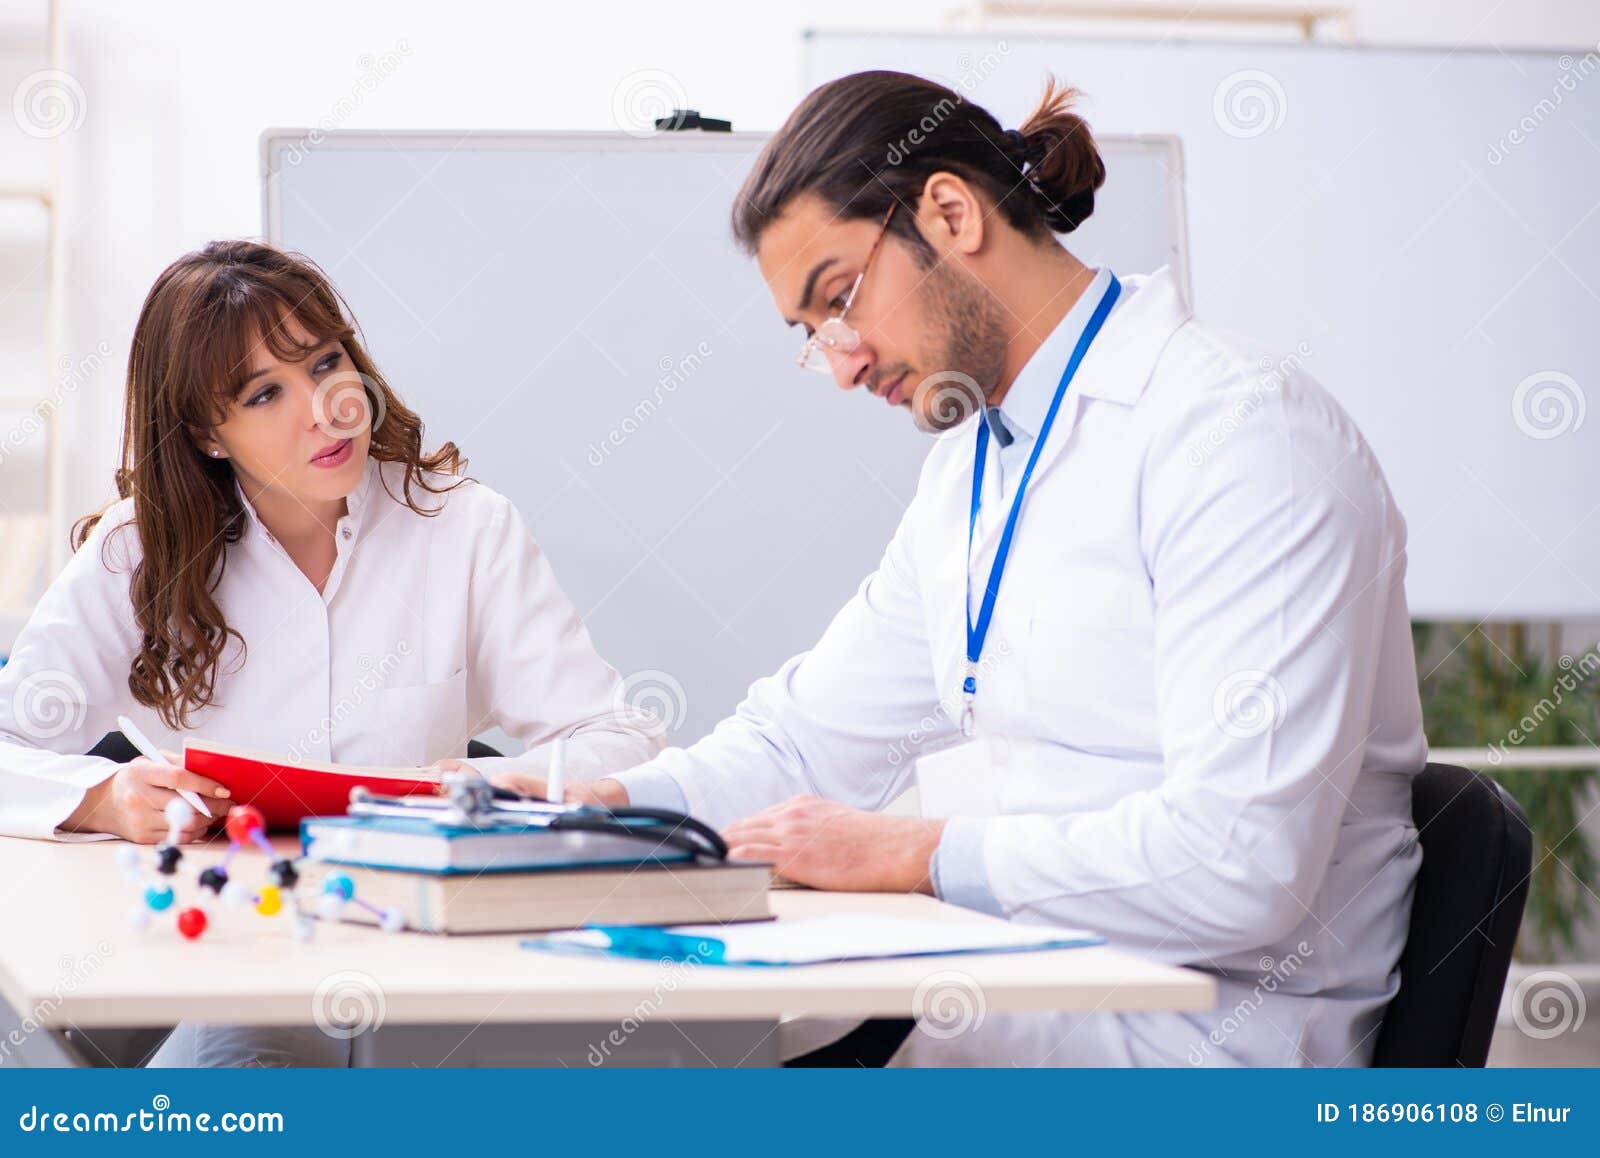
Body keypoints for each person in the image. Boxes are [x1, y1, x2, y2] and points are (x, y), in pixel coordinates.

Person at [522, 71, 1427, 1067]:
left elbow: (1240, 868)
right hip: (1016, 1026)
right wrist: (588, 811)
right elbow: (804, 744)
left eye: (839, 298)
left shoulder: (1242, 437)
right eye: (812, 335)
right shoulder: (974, 468)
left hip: (1196, 1060)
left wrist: (915, 851)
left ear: (948, 211)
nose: (843, 361)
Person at [0, 240, 660, 1064]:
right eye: (267, 392)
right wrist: (101, 797)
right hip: (240, 951)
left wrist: (497, 784)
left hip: (427, 952)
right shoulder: (139, 548)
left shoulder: (461, 525)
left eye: (326, 362)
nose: (326, 408)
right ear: (208, 429)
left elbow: (614, 732)